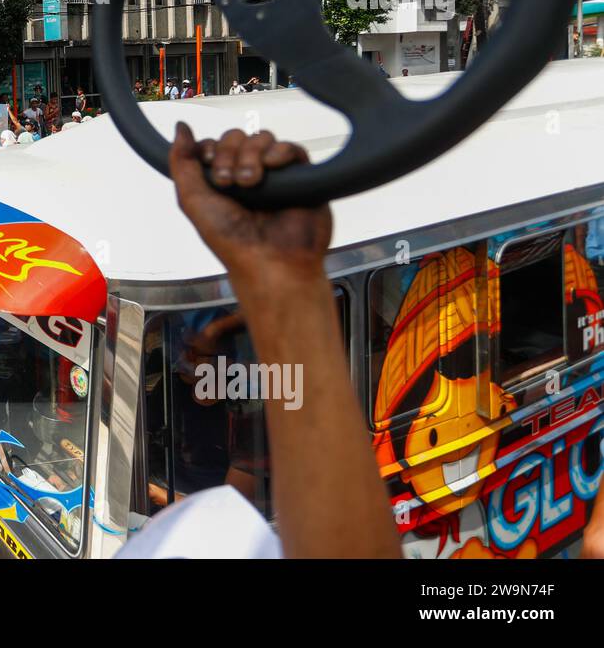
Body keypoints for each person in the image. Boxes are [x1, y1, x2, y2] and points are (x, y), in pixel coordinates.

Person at [127, 122, 400, 558]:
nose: (184, 366)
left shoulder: (256, 410)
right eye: (183, 356)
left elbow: (239, 505)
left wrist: (154, 497)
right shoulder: (177, 394)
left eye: (195, 357)